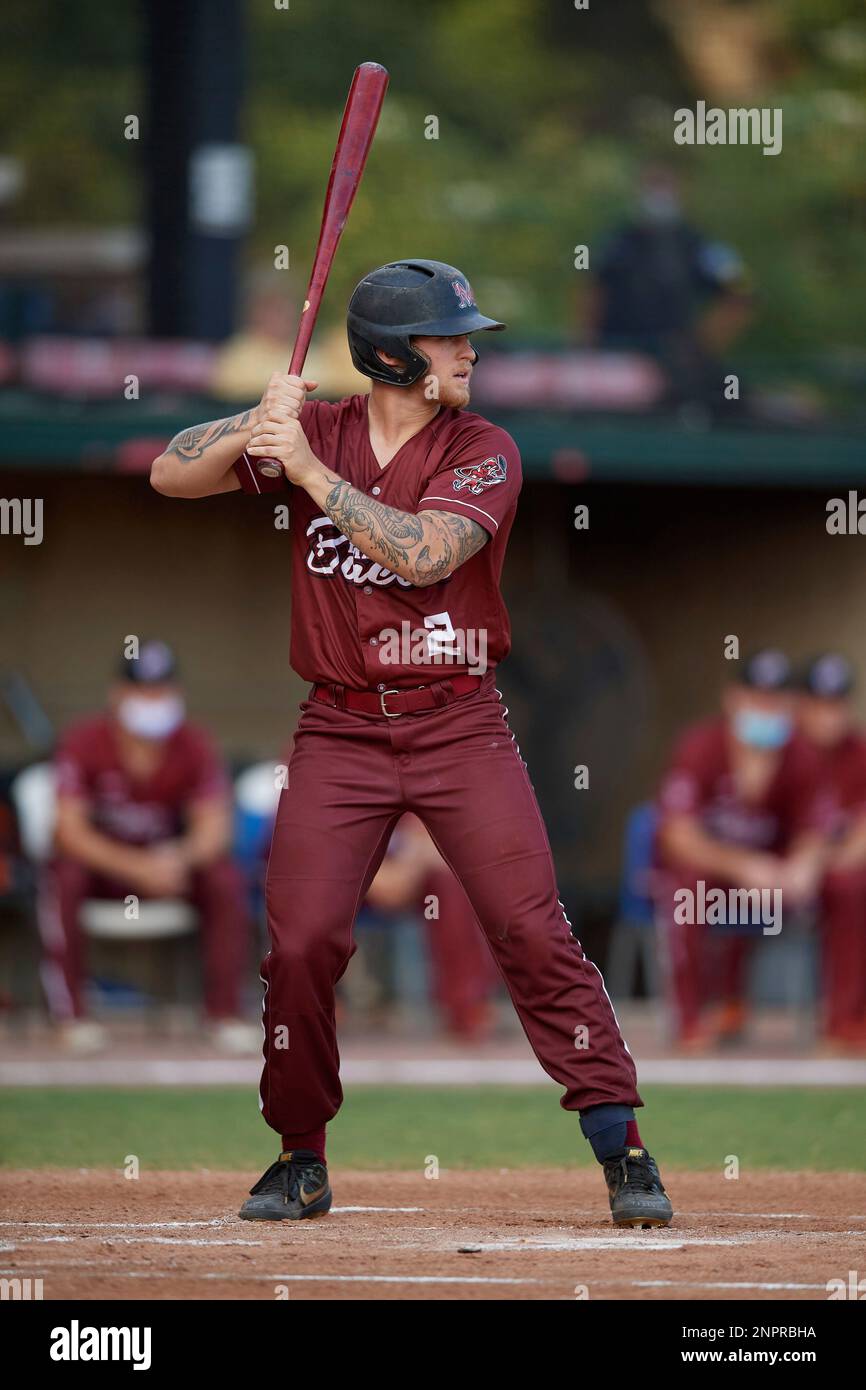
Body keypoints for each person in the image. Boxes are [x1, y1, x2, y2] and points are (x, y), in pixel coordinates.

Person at [151, 258, 673, 1228]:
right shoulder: (319, 427)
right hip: (338, 725)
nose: (469, 349)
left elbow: (422, 552)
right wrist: (251, 424)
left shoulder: (484, 448)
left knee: (528, 925)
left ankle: (620, 1143)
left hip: (456, 721)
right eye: (449, 336)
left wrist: (301, 468)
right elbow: (168, 472)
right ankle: (298, 1155)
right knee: (301, 943)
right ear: (393, 355)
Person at [40, 640, 255, 1053]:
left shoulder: (194, 744)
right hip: (106, 873)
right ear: (118, 694)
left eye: (163, 691)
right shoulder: (85, 741)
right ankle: (70, 1018)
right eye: (143, 691)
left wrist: (177, 858)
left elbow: (215, 829)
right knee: (62, 874)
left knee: (224, 878)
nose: (154, 701)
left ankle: (224, 1015)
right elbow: (68, 831)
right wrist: (136, 867)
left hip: (169, 871)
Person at [655, 649, 829, 1049]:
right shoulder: (701, 746)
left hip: (770, 884)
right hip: (711, 878)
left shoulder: (802, 756)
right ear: (734, 698)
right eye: (757, 698)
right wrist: (744, 866)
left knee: (844, 885)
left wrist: (804, 865)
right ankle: (691, 1020)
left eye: (776, 700)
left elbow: (814, 830)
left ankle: (843, 1020)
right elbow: (676, 836)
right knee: (688, 889)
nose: (767, 710)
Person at [796, 654, 866, 1050]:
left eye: (837, 704)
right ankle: (725, 1007)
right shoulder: (785, 749)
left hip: (833, 874)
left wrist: (825, 858)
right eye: (820, 704)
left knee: (851, 885)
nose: (829, 715)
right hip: (779, 874)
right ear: (803, 704)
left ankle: (847, 1017)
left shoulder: (858, 752)